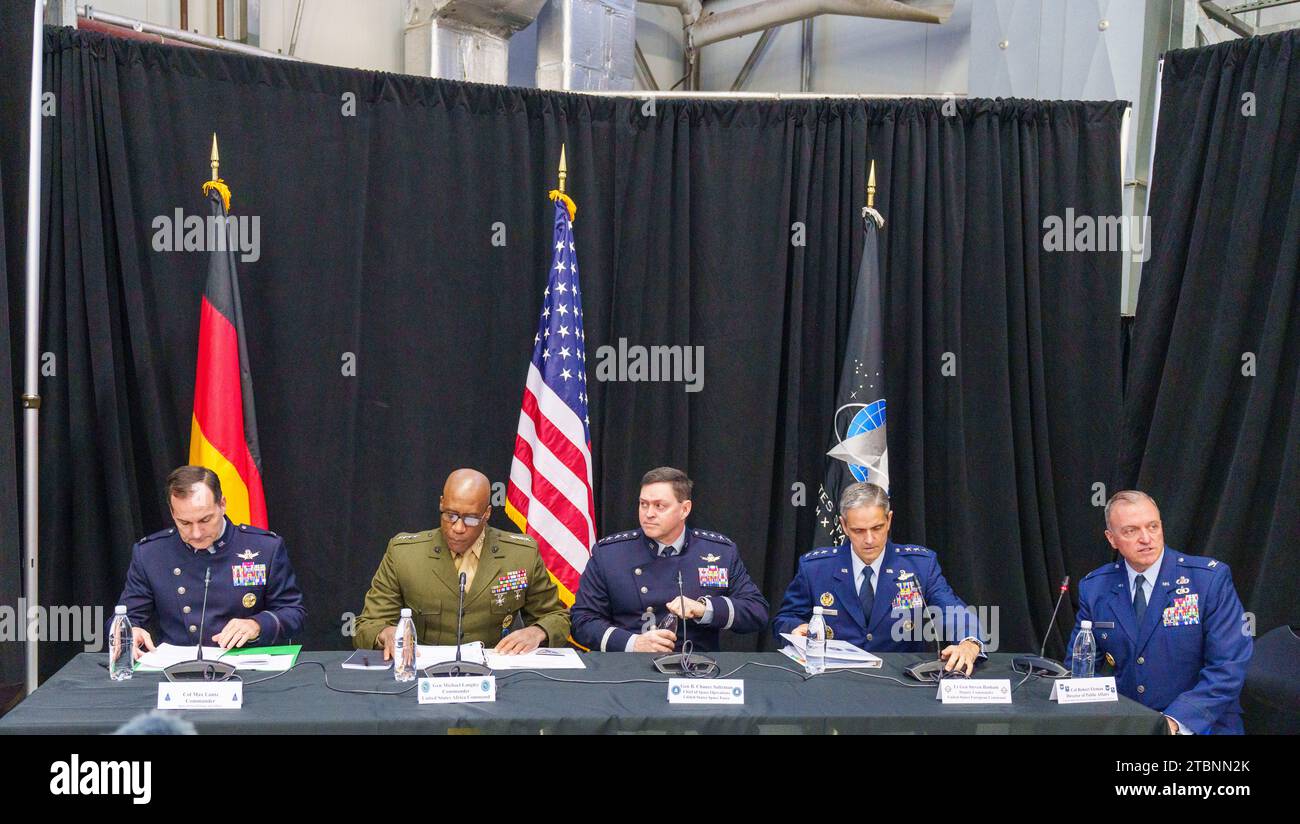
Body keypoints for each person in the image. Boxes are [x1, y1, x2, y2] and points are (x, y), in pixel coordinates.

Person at [1067, 490, 1252, 734]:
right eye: (1131, 531)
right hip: (1127, 724)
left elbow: (1229, 667)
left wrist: (1174, 722)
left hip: (1200, 724)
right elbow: (1079, 666)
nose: (1146, 538)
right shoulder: (1095, 587)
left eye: (1152, 526)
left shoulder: (1208, 580)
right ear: (1111, 539)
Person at [772, 482, 983, 674]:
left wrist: (970, 642)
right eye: (858, 531)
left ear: (889, 519)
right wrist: (794, 629)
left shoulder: (919, 565)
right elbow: (785, 618)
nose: (870, 539)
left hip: (900, 677)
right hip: (832, 677)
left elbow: (952, 609)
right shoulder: (816, 568)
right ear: (844, 525)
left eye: (877, 528)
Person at [354, 468, 569, 656]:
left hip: (496, 674)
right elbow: (367, 625)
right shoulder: (405, 554)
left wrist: (537, 631)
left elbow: (556, 616)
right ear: (441, 503)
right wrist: (386, 634)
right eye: (450, 515)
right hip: (423, 675)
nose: (458, 527)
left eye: (471, 518)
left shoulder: (521, 554)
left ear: (487, 514)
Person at [113, 465, 305, 658]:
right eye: (185, 523)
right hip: (178, 671)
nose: (196, 533)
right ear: (173, 514)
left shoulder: (264, 548)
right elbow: (124, 617)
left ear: (222, 504)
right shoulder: (151, 553)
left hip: (247, 667)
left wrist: (257, 624)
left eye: (205, 520)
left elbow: (293, 613)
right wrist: (127, 632)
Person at [571, 467, 768, 653]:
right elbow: (582, 620)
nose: (649, 514)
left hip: (697, 669)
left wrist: (704, 608)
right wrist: (633, 643)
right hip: (628, 668)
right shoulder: (610, 554)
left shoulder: (719, 552)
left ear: (685, 509)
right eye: (643, 504)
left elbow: (757, 612)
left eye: (660, 506)